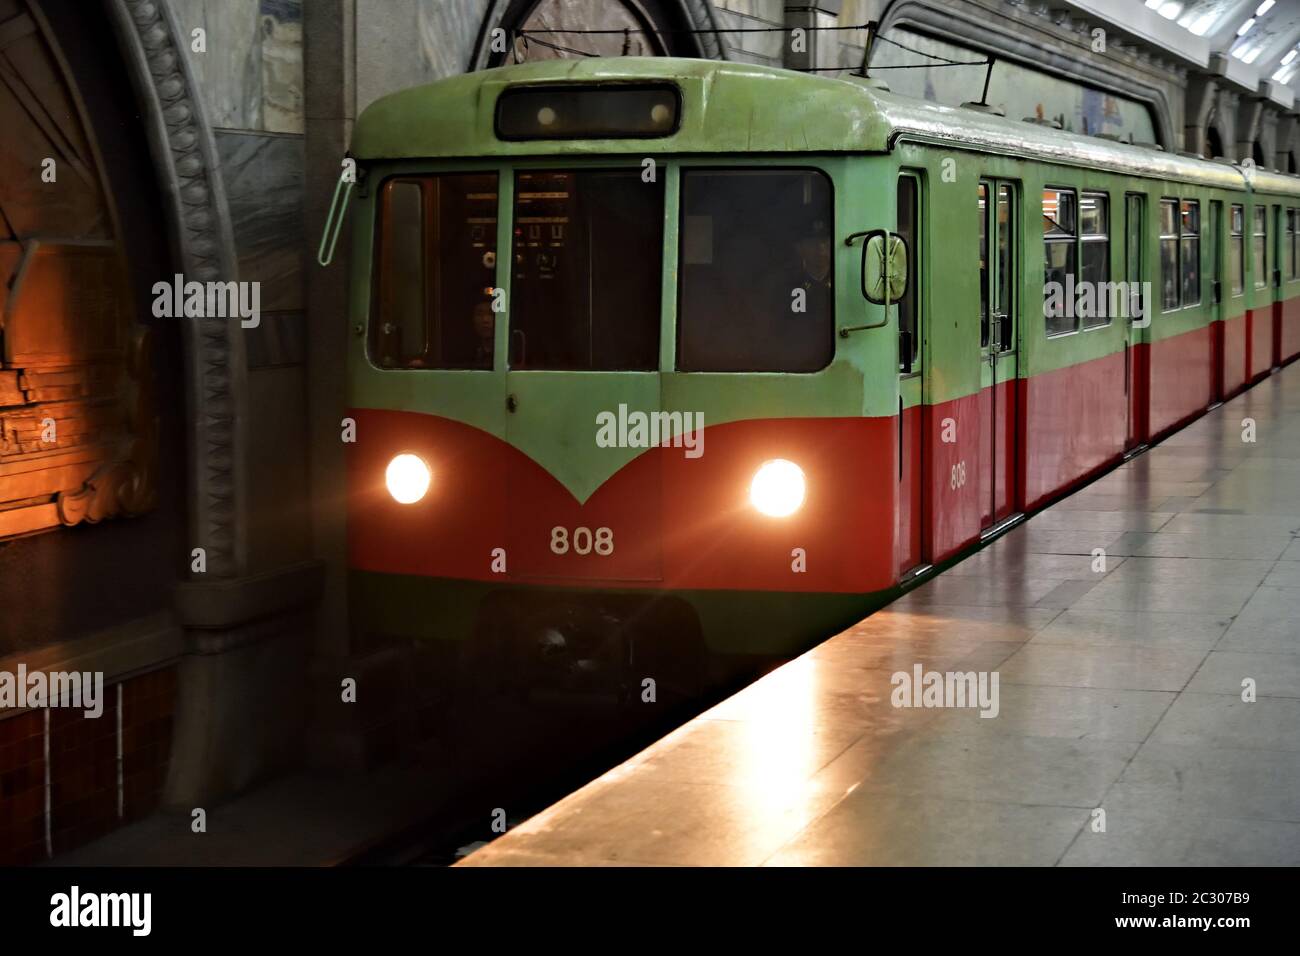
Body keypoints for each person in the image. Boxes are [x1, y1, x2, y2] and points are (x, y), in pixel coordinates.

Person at [472, 300, 495, 369]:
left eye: (491, 314)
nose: (485, 320)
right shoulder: (464, 355)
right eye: (479, 314)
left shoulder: (512, 354)